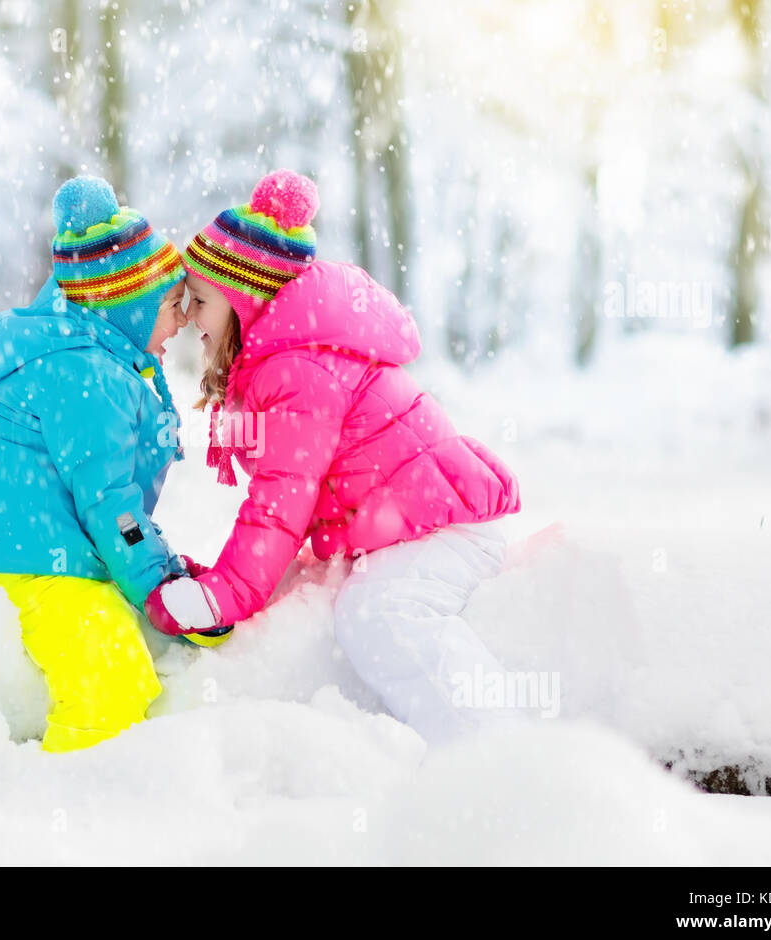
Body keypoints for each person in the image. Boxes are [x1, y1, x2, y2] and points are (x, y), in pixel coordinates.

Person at [144, 170, 526, 745]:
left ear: (245, 301)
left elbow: (280, 504)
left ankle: (496, 746)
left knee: (377, 613)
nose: (192, 318)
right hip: (419, 527)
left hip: (445, 534)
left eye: (199, 301)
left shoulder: (297, 371)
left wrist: (226, 595)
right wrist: (226, 580)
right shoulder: (288, 358)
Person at [0, 175, 191, 753]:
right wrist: (156, 582)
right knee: (109, 673)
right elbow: (109, 503)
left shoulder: (96, 360)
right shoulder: (89, 375)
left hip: (34, 548)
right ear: (129, 311)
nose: (182, 321)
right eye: (170, 305)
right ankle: (69, 801)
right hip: (26, 559)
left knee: (118, 656)